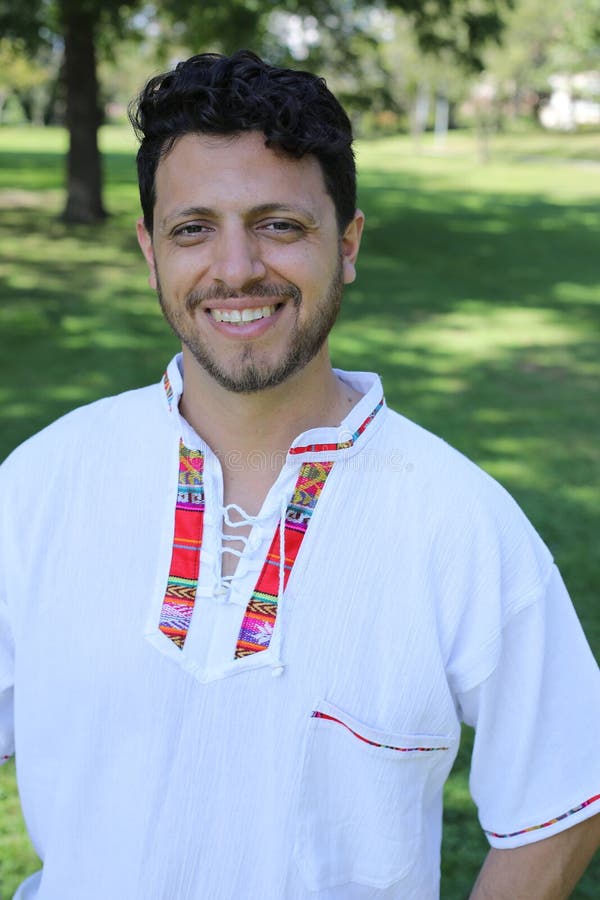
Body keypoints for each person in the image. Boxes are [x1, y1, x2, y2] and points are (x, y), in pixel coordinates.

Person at [0, 50, 599, 900]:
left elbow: (565, 790)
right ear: (150, 251)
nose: (236, 268)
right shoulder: (42, 485)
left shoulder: (456, 518)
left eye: (279, 225)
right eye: (192, 228)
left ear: (346, 244)